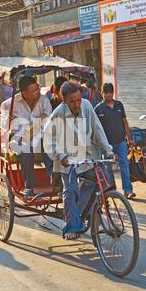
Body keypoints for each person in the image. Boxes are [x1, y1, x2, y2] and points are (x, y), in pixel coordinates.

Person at [44, 81, 115, 240]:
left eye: (78, 100)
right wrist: (61, 157)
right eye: (72, 101)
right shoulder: (58, 113)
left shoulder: (87, 105)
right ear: (64, 100)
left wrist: (108, 150)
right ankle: (72, 226)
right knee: (70, 191)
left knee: (101, 182)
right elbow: (49, 139)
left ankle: (83, 214)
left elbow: (97, 128)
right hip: (67, 159)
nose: (77, 104)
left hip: (88, 155)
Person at [0, 75, 53, 199]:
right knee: (25, 149)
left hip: (39, 135)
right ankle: (29, 187)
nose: (38, 92)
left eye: (38, 88)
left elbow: (48, 119)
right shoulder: (9, 105)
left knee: (52, 145)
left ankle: (54, 179)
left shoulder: (44, 100)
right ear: (24, 93)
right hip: (17, 138)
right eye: (34, 90)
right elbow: (5, 126)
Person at [95, 83, 136, 200]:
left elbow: (125, 122)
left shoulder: (119, 105)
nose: (108, 95)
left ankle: (128, 190)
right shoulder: (98, 109)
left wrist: (130, 138)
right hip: (106, 145)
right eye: (105, 92)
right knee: (108, 169)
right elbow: (94, 127)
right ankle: (112, 190)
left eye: (110, 92)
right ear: (102, 93)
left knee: (124, 165)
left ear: (113, 93)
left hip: (121, 142)